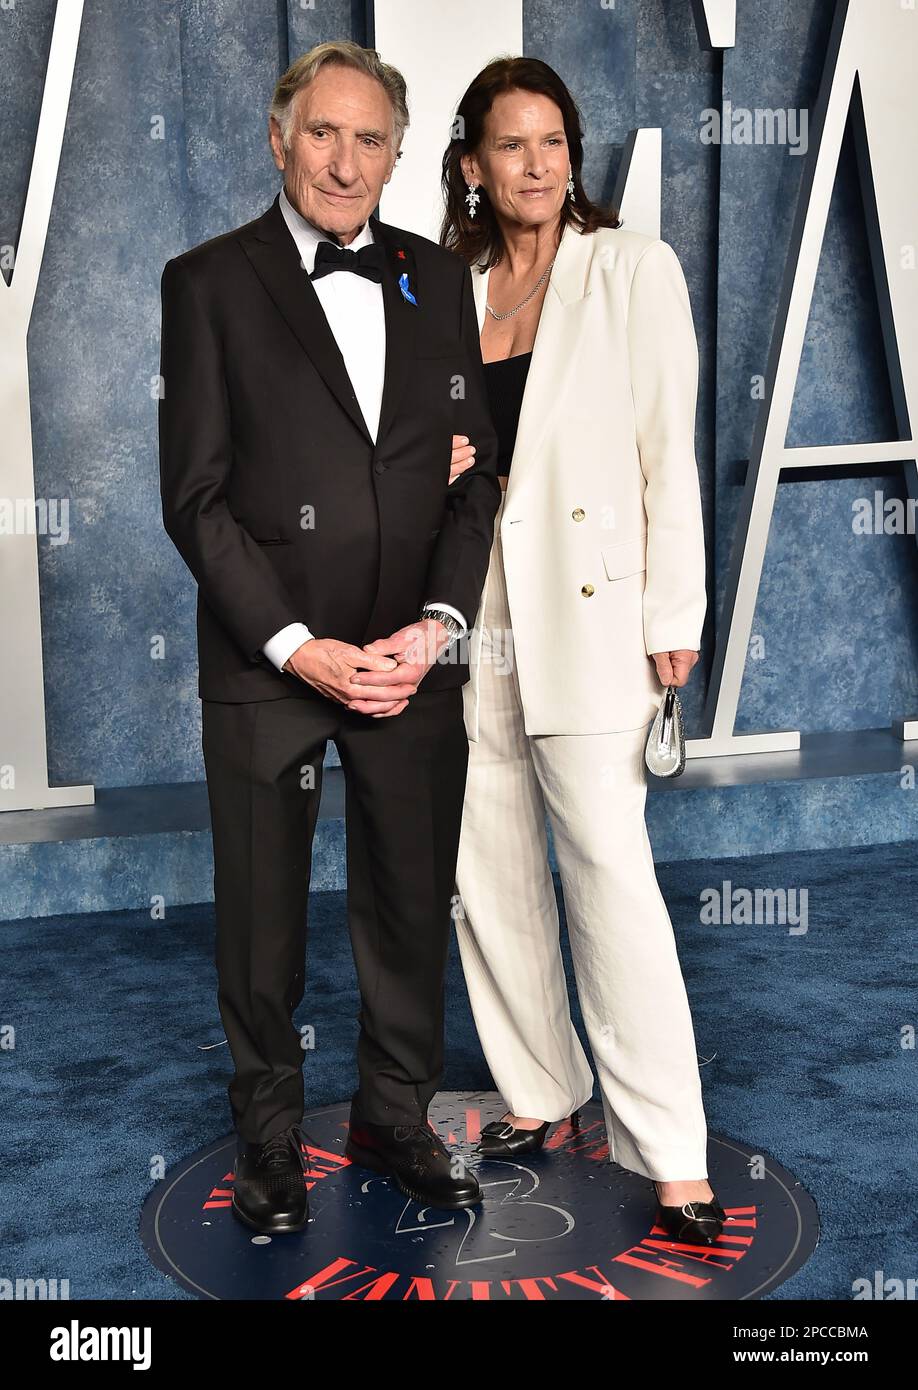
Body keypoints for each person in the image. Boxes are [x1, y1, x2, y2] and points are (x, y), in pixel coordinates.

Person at [158, 40, 500, 1233]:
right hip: (273, 664)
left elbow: (472, 477)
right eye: (323, 133)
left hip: (411, 655)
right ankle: (266, 1137)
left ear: (399, 154)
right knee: (261, 917)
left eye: (370, 139)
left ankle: (392, 1111)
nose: (345, 161)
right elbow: (193, 497)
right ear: (278, 135)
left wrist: (439, 622)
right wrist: (295, 643)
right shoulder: (205, 283)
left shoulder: (436, 279)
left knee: (409, 900)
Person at [437, 57, 725, 1246]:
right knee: (485, 861)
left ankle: (673, 1156)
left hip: (596, 611)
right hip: (474, 609)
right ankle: (541, 1092)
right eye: (514, 146)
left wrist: (675, 617)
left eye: (555, 142)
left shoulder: (628, 269)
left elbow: (670, 447)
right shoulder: (444, 286)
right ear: (473, 166)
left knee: (607, 874)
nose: (540, 164)